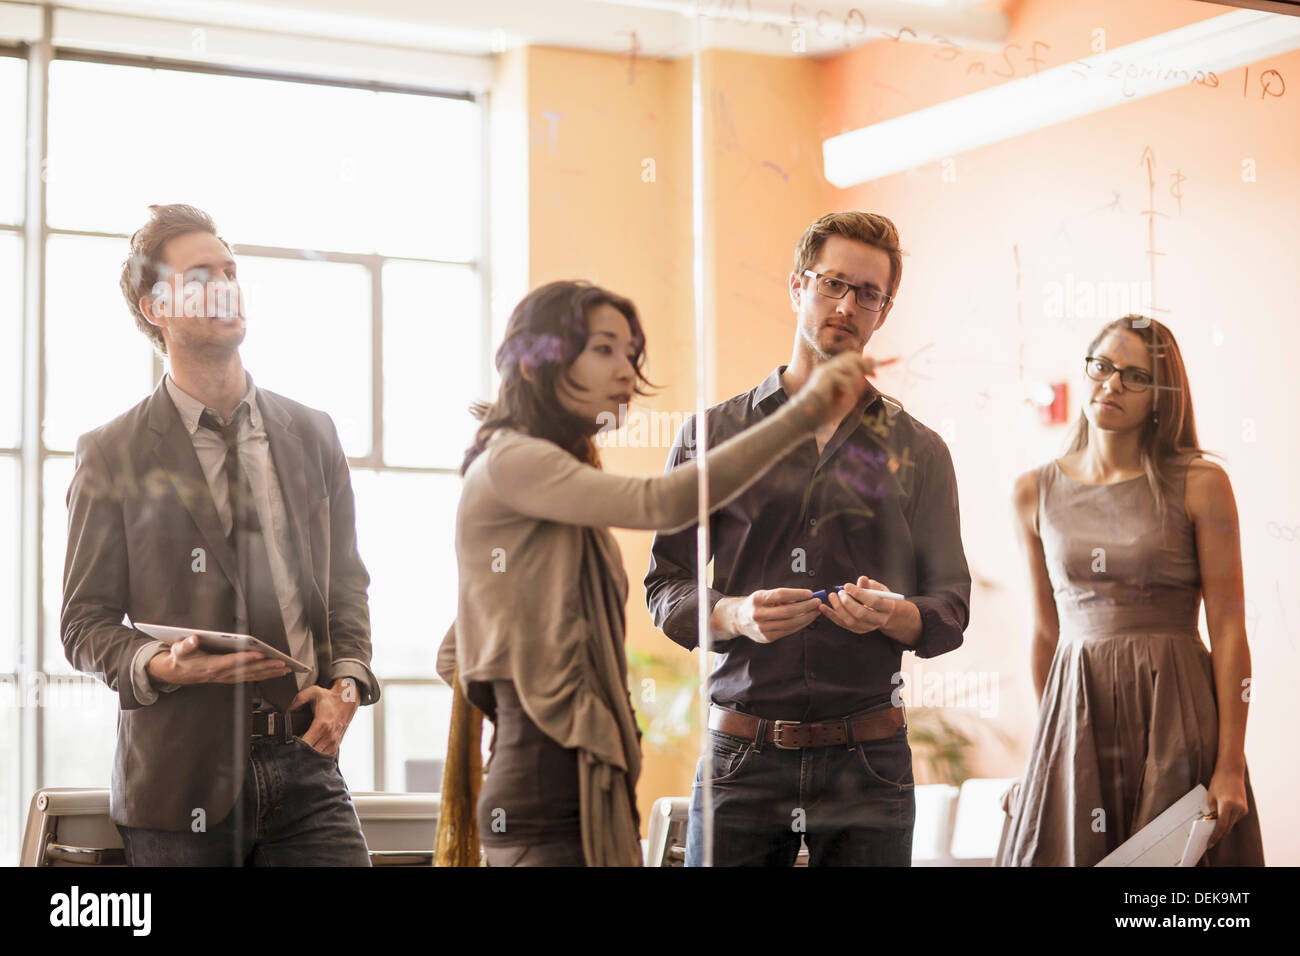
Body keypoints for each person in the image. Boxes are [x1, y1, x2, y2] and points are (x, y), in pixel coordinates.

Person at [434, 279, 872, 867]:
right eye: (603, 349)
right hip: (545, 784)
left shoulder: (537, 476)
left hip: (573, 781)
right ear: (537, 359)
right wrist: (806, 413)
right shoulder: (514, 459)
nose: (625, 372)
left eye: (630, 354)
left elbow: (454, 650)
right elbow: (663, 503)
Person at [645, 211, 972, 866]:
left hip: (870, 760)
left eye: (868, 293)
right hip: (741, 757)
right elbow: (664, 586)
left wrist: (901, 616)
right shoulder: (711, 437)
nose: (847, 305)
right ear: (798, 286)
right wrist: (734, 614)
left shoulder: (921, 450)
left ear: (884, 309)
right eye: (832, 284)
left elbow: (950, 610)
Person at [61, 203, 379, 865]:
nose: (226, 284)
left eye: (230, 270)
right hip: (178, 788)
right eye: (202, 274)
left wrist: (347, 685)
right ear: (157, 308)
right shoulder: (111, 452)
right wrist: (157, 662)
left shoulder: (313, 433)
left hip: (308, 768)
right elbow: (85, 624)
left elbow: (346, 586)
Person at [997, 315, 1265, 866]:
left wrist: (1230, 764)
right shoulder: (1032, 491)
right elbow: (1046, 632)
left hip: (1177, 712)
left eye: (1135, 376)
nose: (1112, 383)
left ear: (1163, 395)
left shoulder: (1201, 481)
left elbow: (1230, 628)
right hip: (1076, 714)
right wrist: (1042, 756)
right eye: (1102, 366)